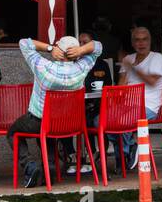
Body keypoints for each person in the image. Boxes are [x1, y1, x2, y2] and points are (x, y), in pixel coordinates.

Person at [9, 35, 103, 188]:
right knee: (48, 135)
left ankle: (29, 165)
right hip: (67, 125)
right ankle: (49, 169)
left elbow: (23, 43)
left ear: (59, 49)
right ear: (75, 52)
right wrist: (81, 50)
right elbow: (98, 46)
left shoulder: (43, 66)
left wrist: (50, 48)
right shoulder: (82, 67)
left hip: (38, 121)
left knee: (13, 133)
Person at [118, 26, 162, 164]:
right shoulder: (129, 58)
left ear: (150, 41)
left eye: (145, 40)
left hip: (148, 106)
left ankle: (127, 152)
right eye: (137, 40)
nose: (141, 43)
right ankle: (123, 154)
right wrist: (126, 70)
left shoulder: (157, 58)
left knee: (122, 120)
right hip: (127, 106)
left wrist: (131, 67)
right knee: (101, 120)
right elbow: (121, 87)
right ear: (132, 43)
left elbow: (151, 81)